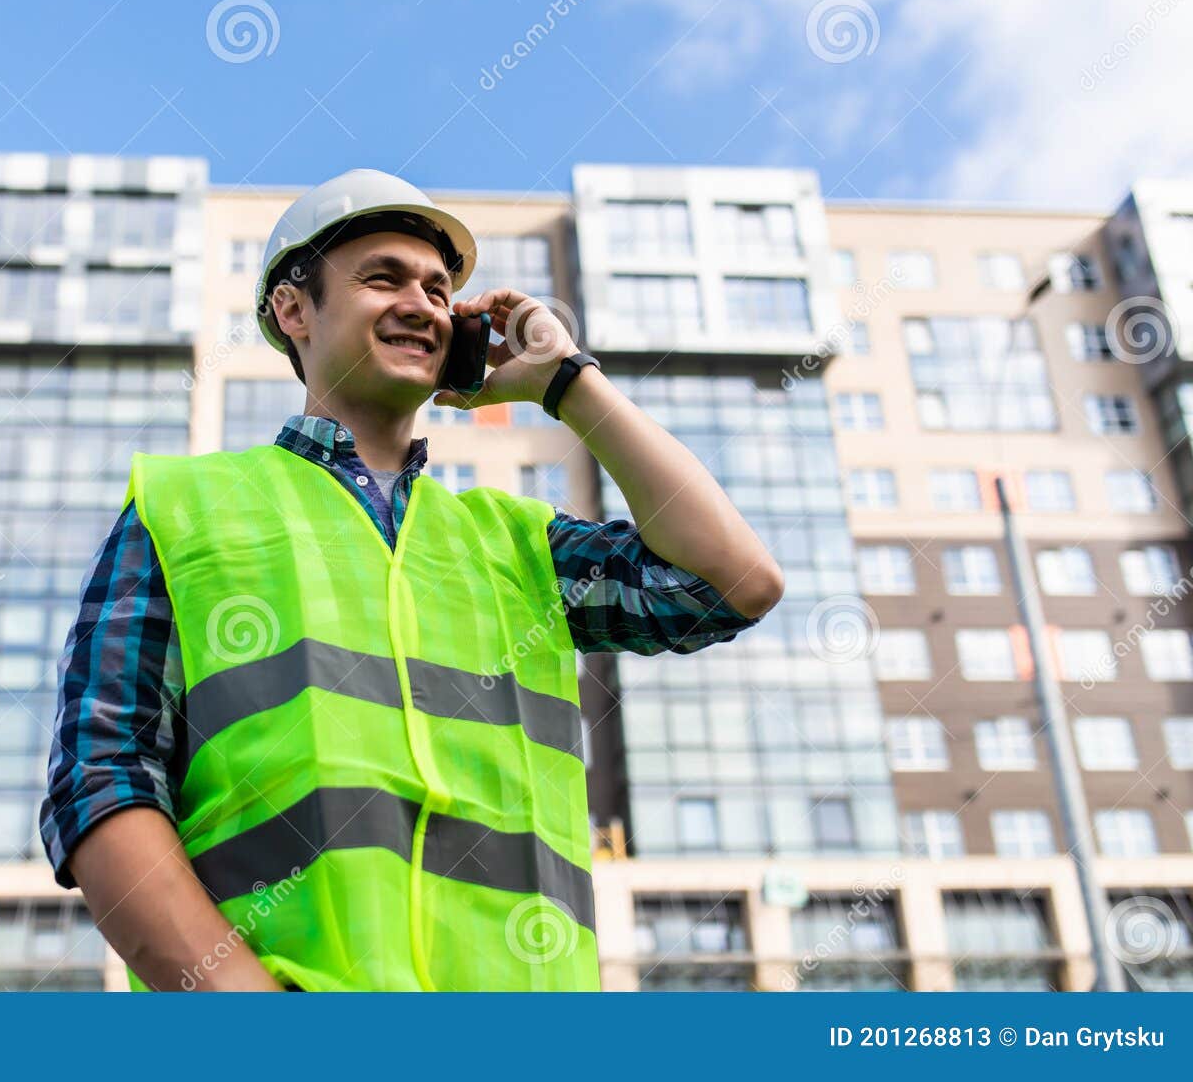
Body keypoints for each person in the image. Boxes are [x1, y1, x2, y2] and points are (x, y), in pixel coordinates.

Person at [38, 168, 784, 991]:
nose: (423, 304)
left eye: (438, 289)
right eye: (382, 278)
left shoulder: (516, 540)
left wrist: (565, 381)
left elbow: (732, 581)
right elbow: (102, 776)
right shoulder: (184, 507)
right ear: (294, 310)